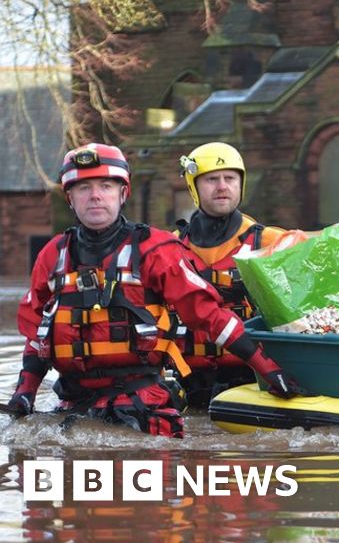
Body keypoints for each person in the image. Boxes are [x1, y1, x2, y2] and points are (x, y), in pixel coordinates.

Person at [7, 143, 303, 437]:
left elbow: (209, 314)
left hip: (142, 405)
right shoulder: (52, 256)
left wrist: (269, 370)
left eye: (106, 186)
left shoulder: (155, 249)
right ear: (69, 198)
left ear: (123, 193)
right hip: (71, 403)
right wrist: (25, 392)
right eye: (84, 188)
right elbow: (37, 330)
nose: (95, 196)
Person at [172, 142, 286, 408]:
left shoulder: (271, 242)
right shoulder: (170, 247)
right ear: (193, 186)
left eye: (230, 178)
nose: (222, 186)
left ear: (241, 184)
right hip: (189, 379)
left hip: (253, 377)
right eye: (212, 179)